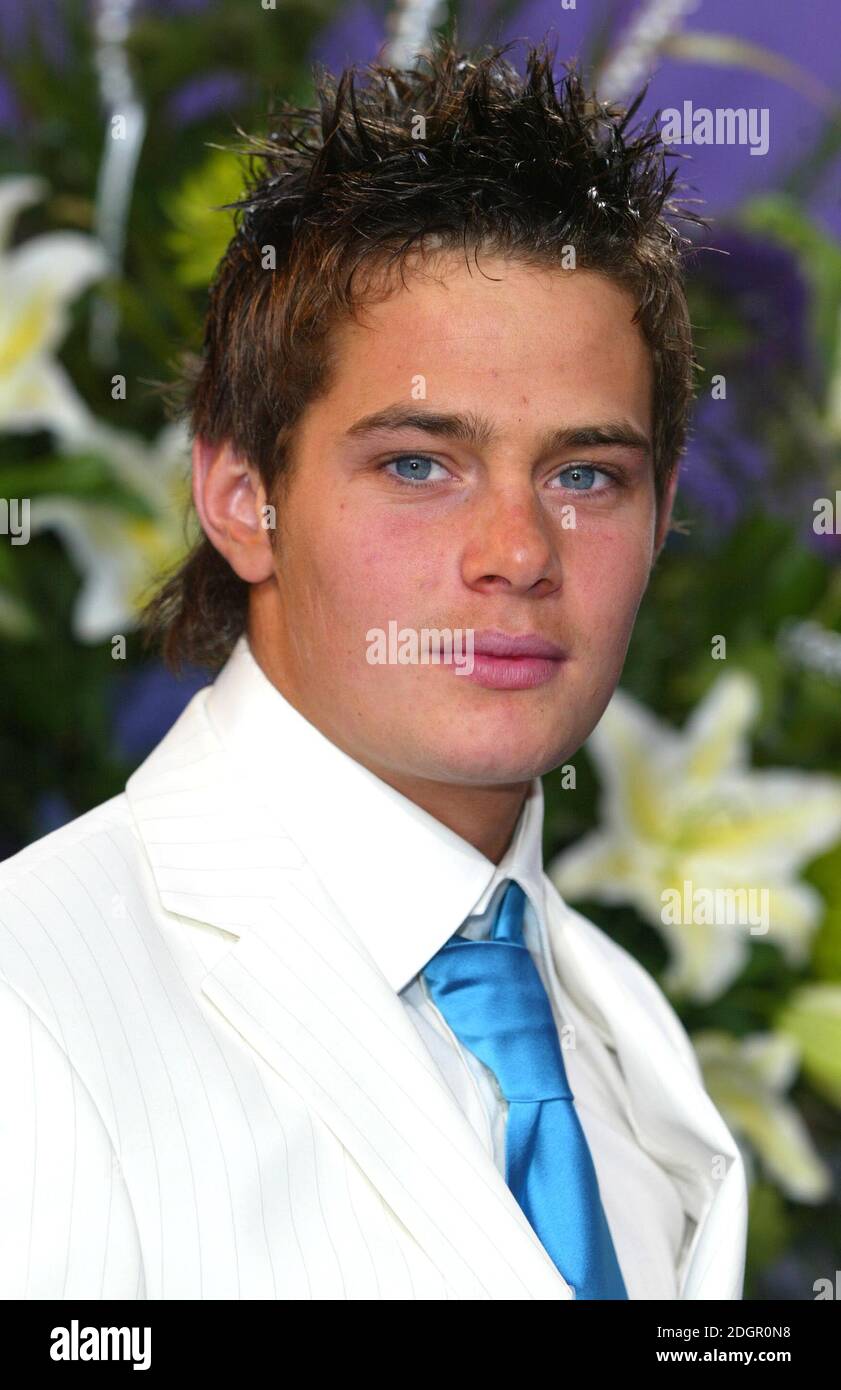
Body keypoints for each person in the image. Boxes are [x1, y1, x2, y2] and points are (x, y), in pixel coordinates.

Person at [0, 35, 747, 1301]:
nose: (516, 552)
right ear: (241, 495)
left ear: (662, 510)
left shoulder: (626, 1033)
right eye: (417, 463)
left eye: (585, 475)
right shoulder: (35, 1007)